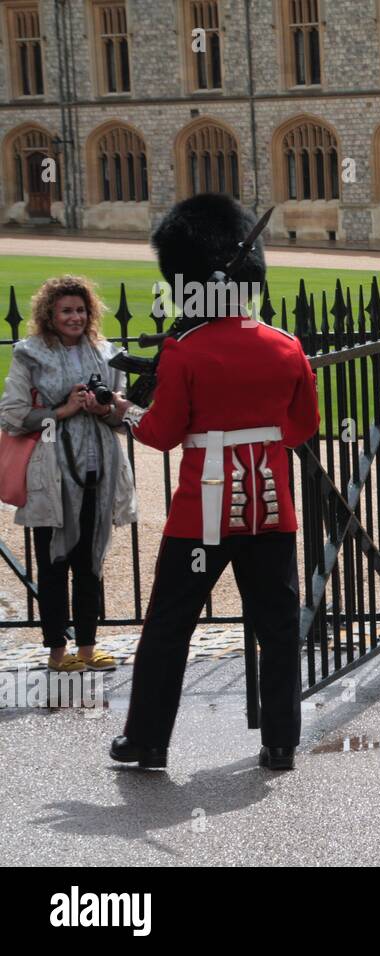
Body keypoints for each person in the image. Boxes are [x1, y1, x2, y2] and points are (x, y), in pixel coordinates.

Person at [107, 193, 319, 771]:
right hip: (272, 509)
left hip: (205, 512)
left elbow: (162, 434)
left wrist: (123, 412)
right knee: (277, 629)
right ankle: (280, 742)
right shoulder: (286, 346)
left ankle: (148, 739)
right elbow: (303, 426)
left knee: (170, 625)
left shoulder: (187, 351)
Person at [0, 276, 138, 673]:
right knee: (54, 561)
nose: (75, 317)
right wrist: (61, 411)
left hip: (99, 469)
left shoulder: (107, 353)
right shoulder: (30, 354)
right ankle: (57, 653)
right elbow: (11, 415)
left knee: (90, 561)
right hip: (52, 473)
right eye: (66, 311)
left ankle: (89, 648)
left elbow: (126, 415)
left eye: (80, 310)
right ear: (50, 314)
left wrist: (104, 409)